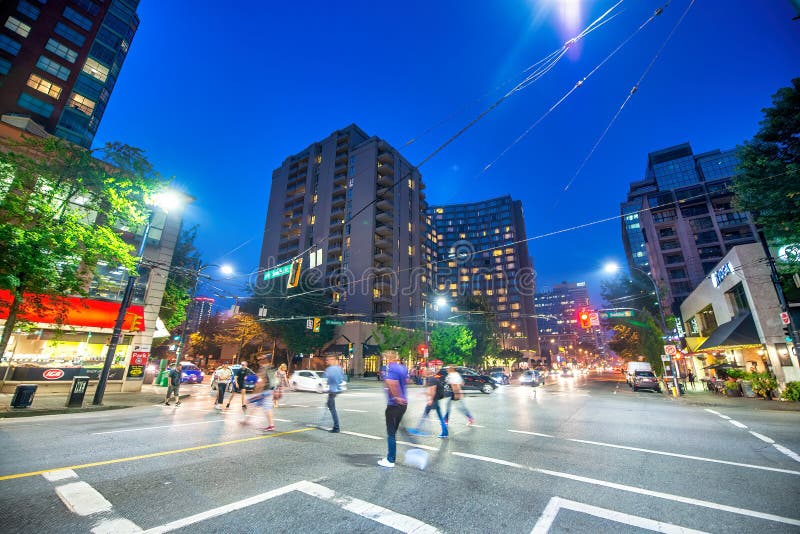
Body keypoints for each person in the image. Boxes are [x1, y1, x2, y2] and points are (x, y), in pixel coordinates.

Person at [378, 354, 408, 468]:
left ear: (390, 358)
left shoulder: (391, 368)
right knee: (394, 432)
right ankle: (391, 456)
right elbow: (407, 380)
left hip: (394, 405)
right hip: (404, 404)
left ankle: (390, 459)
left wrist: (397, 396)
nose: (386, 359)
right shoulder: (403, 368)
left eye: (387, 357)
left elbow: (391, 383)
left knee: (391, 433)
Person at [410, 368, 447, 438]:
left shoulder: (431, 379)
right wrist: (422, 393)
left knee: (425, 414)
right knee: (439, 416)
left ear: (427, 372)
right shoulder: (432, 379)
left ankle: (417, 429)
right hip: (435, 400)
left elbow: (433, 390)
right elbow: (430, 390)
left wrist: (430, 400)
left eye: (423, 372)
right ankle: (445, 432)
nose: (422, 373)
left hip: (433, 400)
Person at [324, 355, 345, 433]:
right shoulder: (339, 369)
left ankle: (336, 427)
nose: (327, 361)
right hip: (337, 390)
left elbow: (326, 379)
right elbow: (342, 378)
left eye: (328, 360)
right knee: (330, 405)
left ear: (333, 360)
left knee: (332, 408)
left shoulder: (329, 369)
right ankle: (335, 426)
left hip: (332, 390)